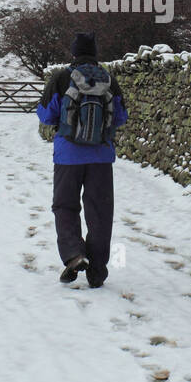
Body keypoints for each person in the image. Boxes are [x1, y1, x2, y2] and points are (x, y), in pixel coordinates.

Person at [36, 31, 128, 288]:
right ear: (95, 53)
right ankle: (97, 270)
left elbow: (45, 115)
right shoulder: (108, 78)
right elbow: (121, 116)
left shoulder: (62, 77)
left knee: (65, 205)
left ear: (74, 52)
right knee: (100, 211)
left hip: (68, 155)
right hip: (101, 156)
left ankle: (74, 254)